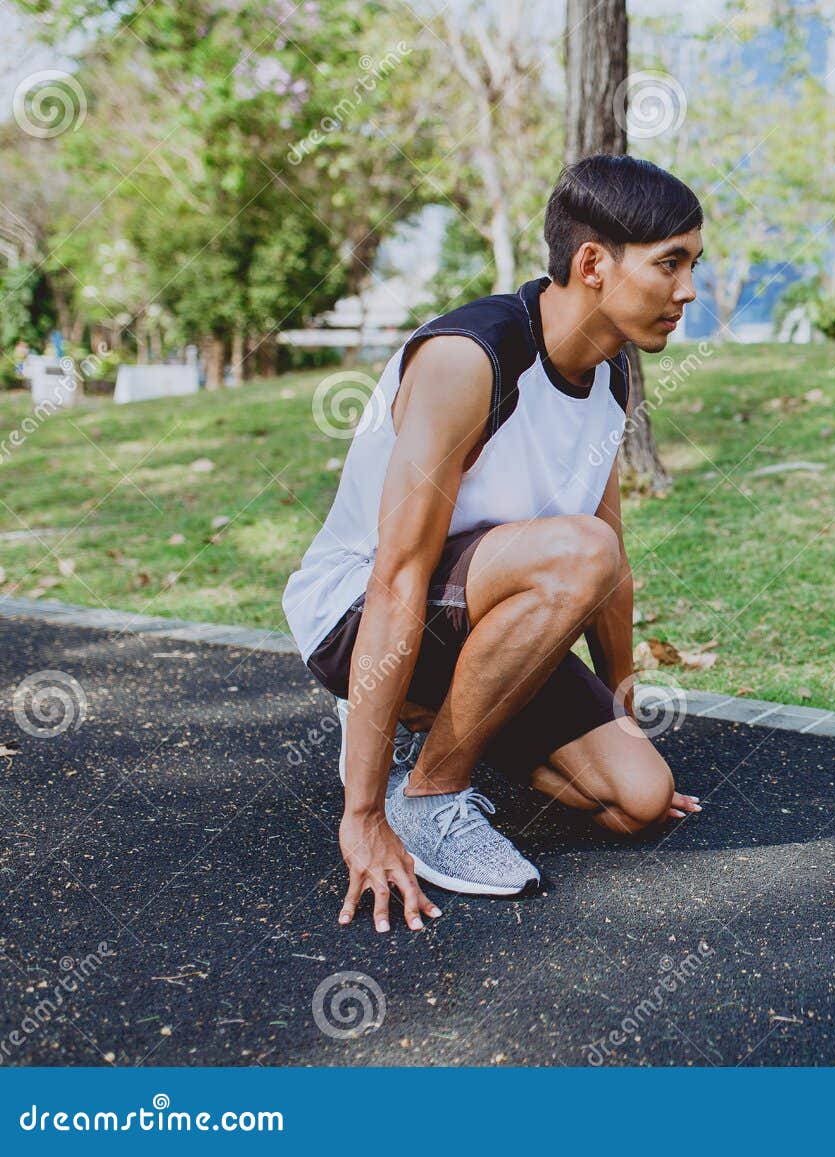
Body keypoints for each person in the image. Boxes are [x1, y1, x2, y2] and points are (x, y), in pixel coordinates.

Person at [281, 154, 704, 934]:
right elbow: (398, 578)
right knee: (578, 552)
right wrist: (362, 811)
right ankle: (429, 795)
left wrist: (618, 701)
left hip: (480, 616)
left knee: (638, 799)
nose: (687, 291)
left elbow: (614, 554)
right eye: (670, 264)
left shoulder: (612, 374)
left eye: (693, 265)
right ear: (592, 265)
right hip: (358, 613)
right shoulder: (468, 358)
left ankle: (433, 721)